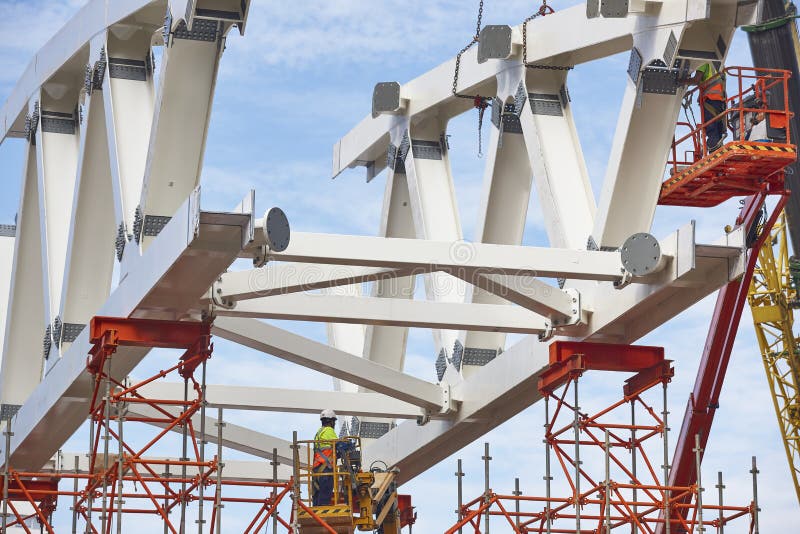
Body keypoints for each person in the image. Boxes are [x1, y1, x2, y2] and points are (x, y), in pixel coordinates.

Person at [682, 63, 727, 151]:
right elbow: (712, 82)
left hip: (710, 100)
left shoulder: (703, 62)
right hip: (721, 100)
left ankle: (714, 152)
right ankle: (719, 150)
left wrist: (680, 81)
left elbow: (696, 80)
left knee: (711, 128)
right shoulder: (719, 65)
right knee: (718, 128)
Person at [312, 409, 338, 506]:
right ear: (331, 421)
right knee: (325, 492)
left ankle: (315, 514)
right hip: (325, 468)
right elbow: (338, 444)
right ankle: (322, 516)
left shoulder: (319, 432)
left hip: (317, 468)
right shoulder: (329, 430)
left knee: (317, 493)